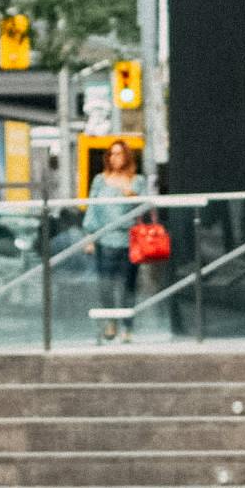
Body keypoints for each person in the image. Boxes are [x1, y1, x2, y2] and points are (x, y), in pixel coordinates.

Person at [85, 141, 149, 344]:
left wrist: (133, 195)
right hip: (105, 238)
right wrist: (90, 237)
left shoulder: (137, 181)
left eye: (119, 154)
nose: (115, 158)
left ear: (127, 157)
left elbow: (146, 206)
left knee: (128, 285)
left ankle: (127, 326)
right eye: (112, 154)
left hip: (129, 240)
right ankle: (110, 321)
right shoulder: (100, 180)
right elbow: (92, 208)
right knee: (106, 285)